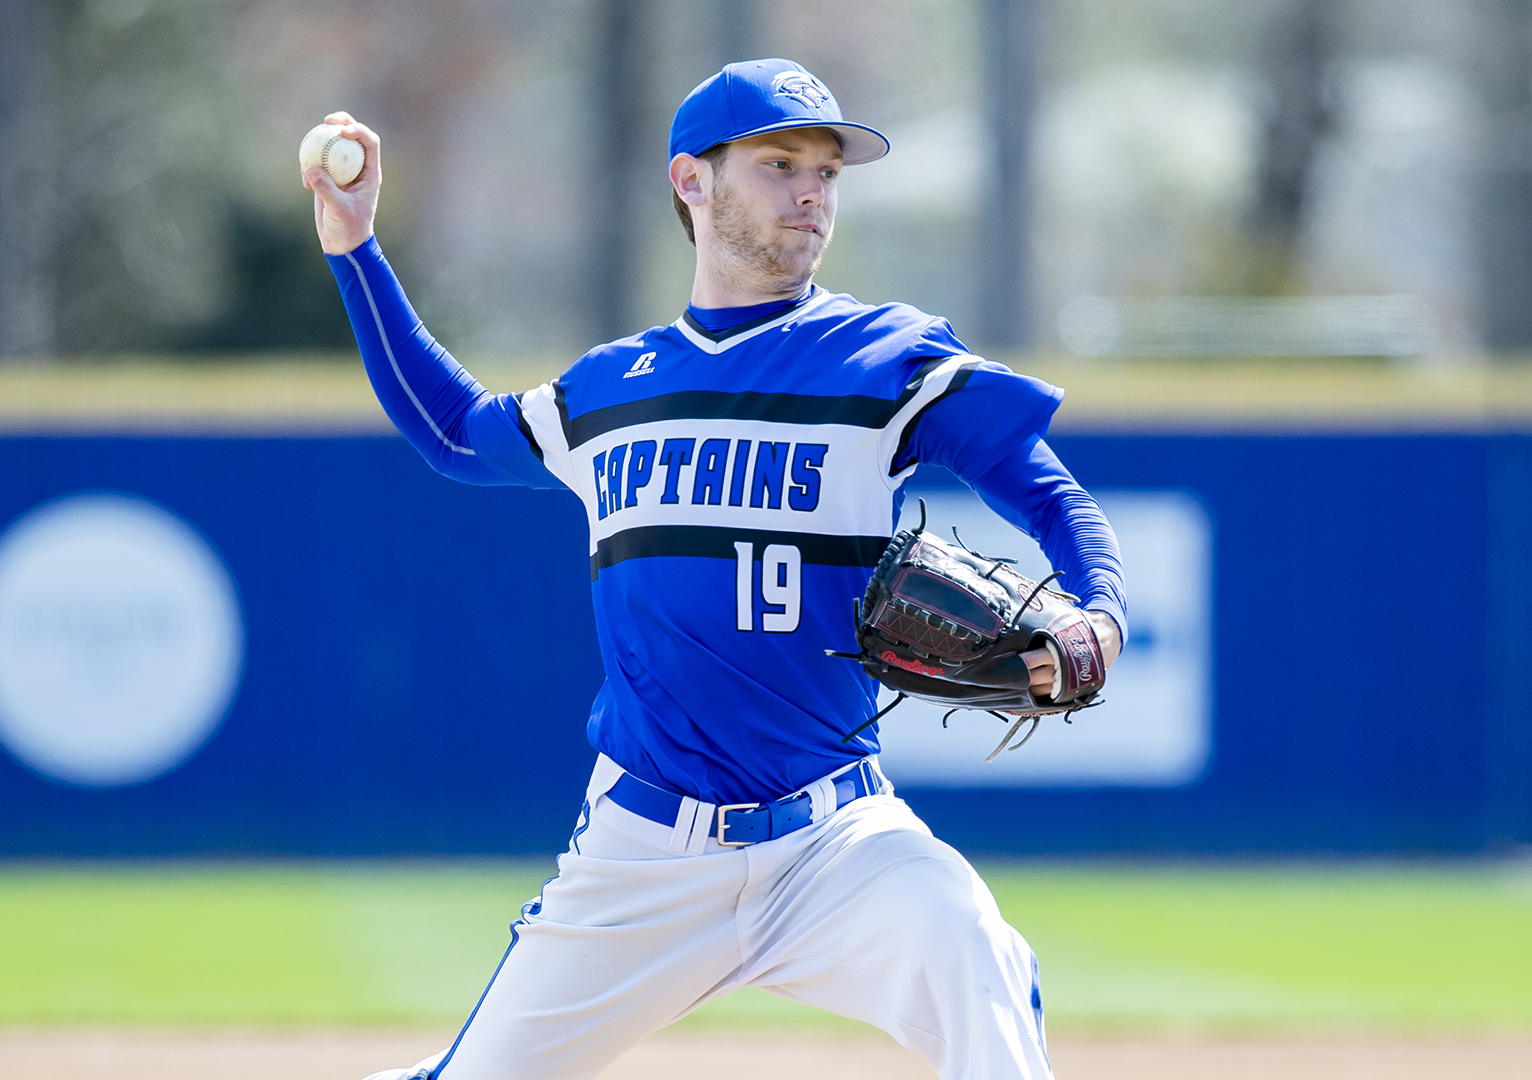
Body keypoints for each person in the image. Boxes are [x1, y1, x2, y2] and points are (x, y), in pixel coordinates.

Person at [305, 59, 1125, 1080]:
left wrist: (1102, 614)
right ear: (692, 181)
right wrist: (356, 248)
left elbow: (1047, 491)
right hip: (644, 850)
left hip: (837, 836)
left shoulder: (880, 358)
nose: (813, 193)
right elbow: (458, 435)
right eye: (780, 163)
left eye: (827, 170)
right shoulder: (610, 391)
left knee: (975, 955)